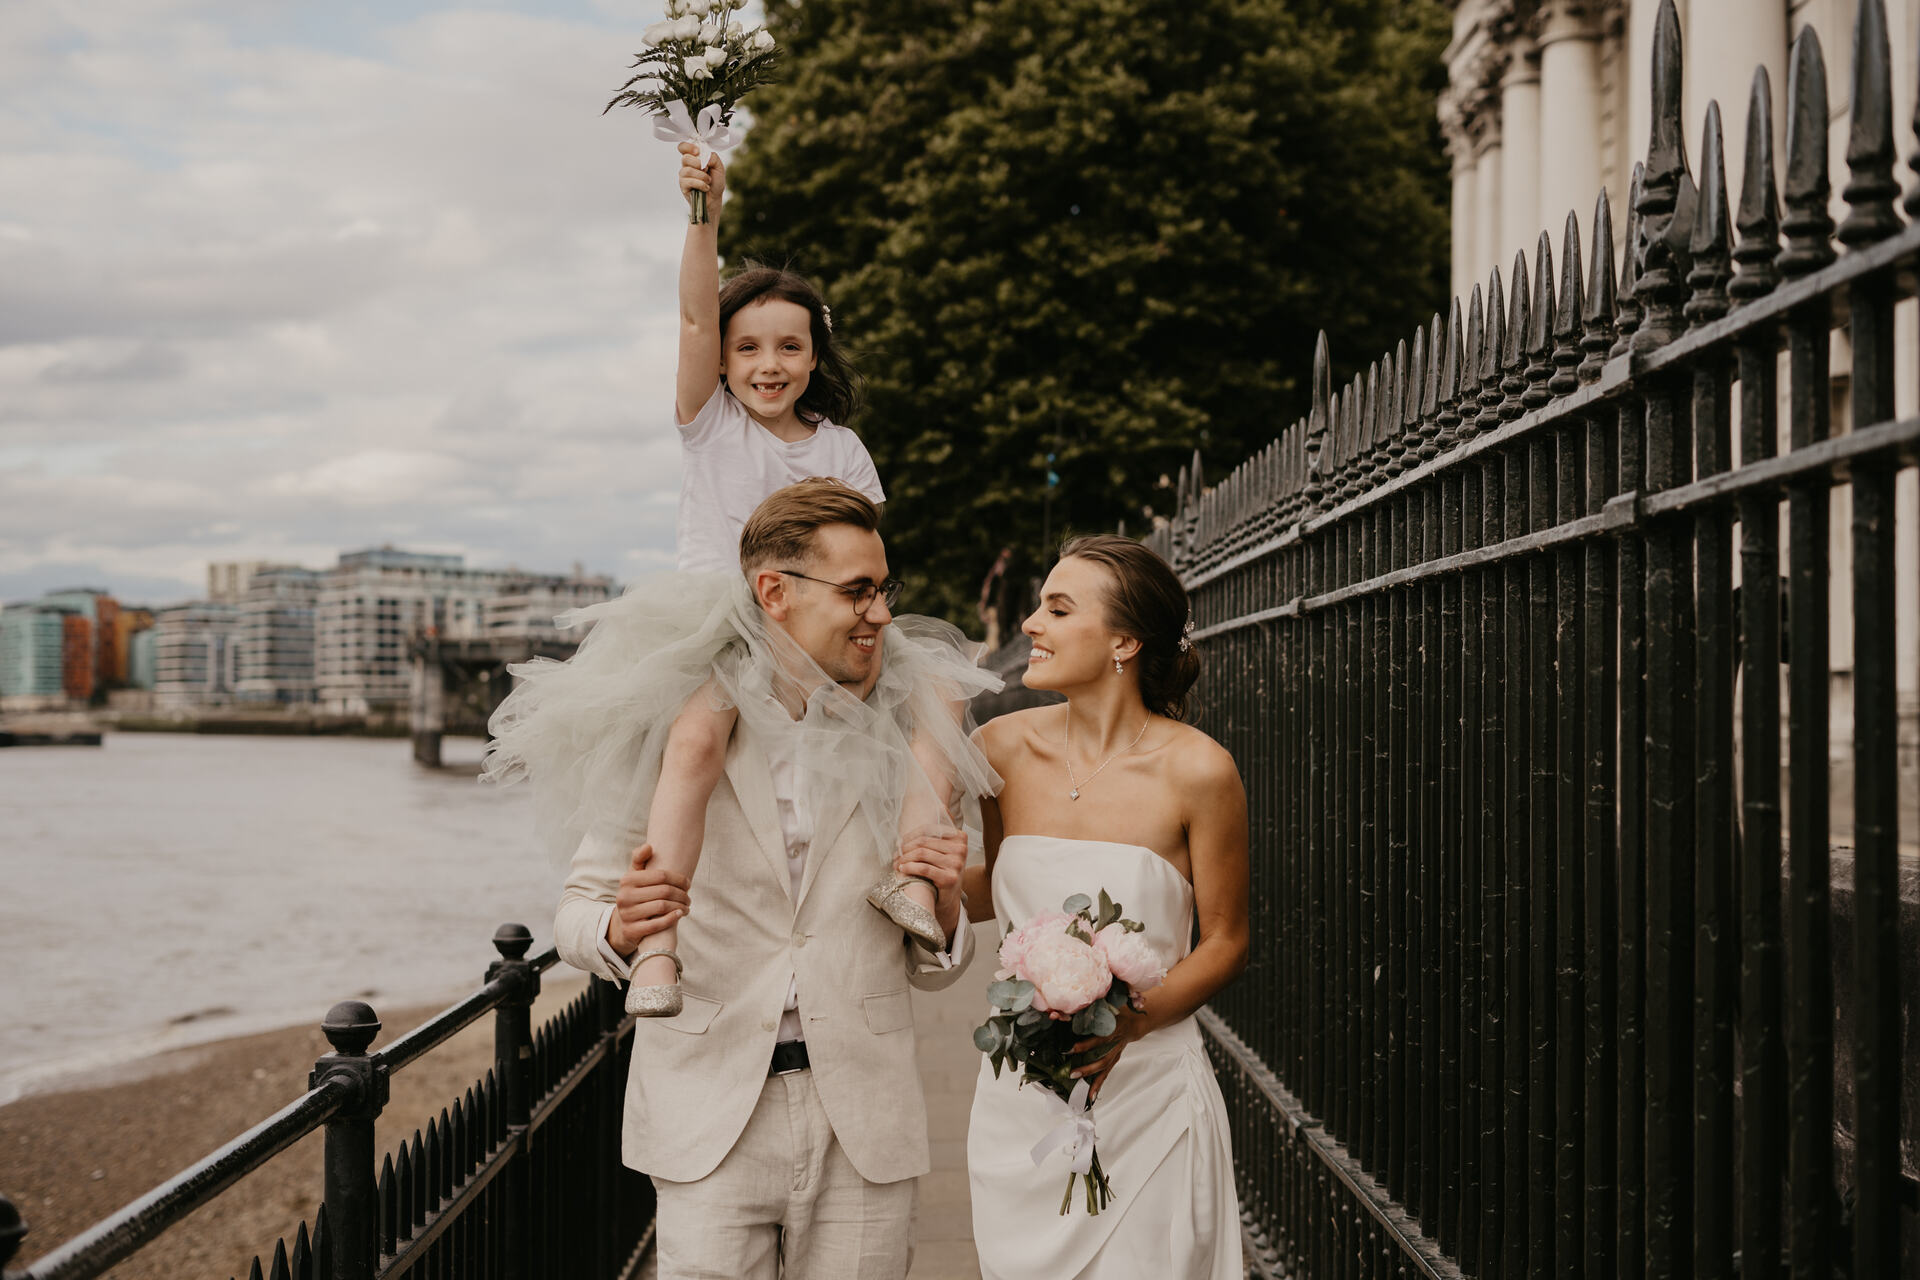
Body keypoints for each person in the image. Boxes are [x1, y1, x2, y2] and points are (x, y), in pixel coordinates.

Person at [488, 480, 995, 1279]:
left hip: (863, 1119)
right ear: (775, 592)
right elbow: (578, 914)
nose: (883, 615)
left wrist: (945, 900)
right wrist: (621, 931)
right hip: (707, 1114)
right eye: (859, 591)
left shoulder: (911, 733)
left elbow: (942, 965)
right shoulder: (675, 727)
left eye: (885, 589)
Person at [618, 143, 943, 1014]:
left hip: (820, 618)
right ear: (723, 359)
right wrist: (704, 217)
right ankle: (656, 946)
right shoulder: (711, 425)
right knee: (694, 744)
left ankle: (917, 881)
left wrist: (864, 626)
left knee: (939, 710)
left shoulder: (838, 445)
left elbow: (861, 551)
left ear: (813, 354)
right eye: (748, 346)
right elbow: (691, 319)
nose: (769, 363)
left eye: (789, 347)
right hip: (725, 622)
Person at [963, 534, 1250, 1279]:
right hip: (1020, 1098)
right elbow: (994, 887)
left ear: (1124, 640)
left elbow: (1225, 939)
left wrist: (1133, 1020)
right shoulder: (998, 749)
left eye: (1058, 609)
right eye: (1038, 606)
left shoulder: (1199, 769)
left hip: (1150, 1094)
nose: (1031, 623)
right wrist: (911, 886)